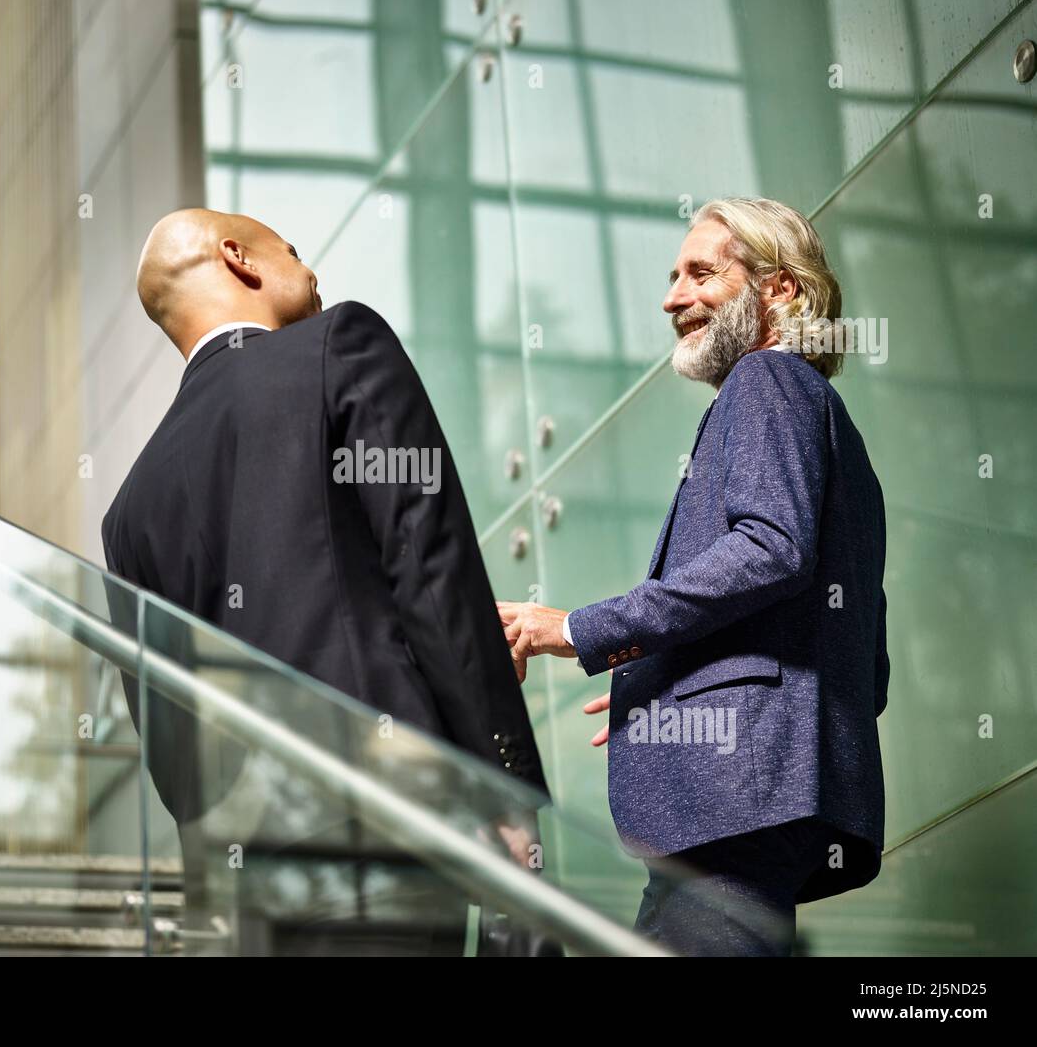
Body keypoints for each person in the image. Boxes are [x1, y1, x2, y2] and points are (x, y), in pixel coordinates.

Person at [102, 208, 550, 955]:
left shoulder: (130, 510)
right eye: (295, 252)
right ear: (240, 258)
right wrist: (507, 782)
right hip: (388, 829)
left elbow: (172, 748)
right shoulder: (340, 346)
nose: (312, 274)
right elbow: (432, 572)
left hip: (247, 888)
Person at [498, 197, 888, 957]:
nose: (673, 296)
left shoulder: (765, 381)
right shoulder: (838, 435)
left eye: (701, 272)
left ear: (779, 290)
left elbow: (769, 550)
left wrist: (575, 628)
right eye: (672, 276)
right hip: (760, 805)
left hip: (731, 802)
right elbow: (862, 667)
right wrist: (667, 679)